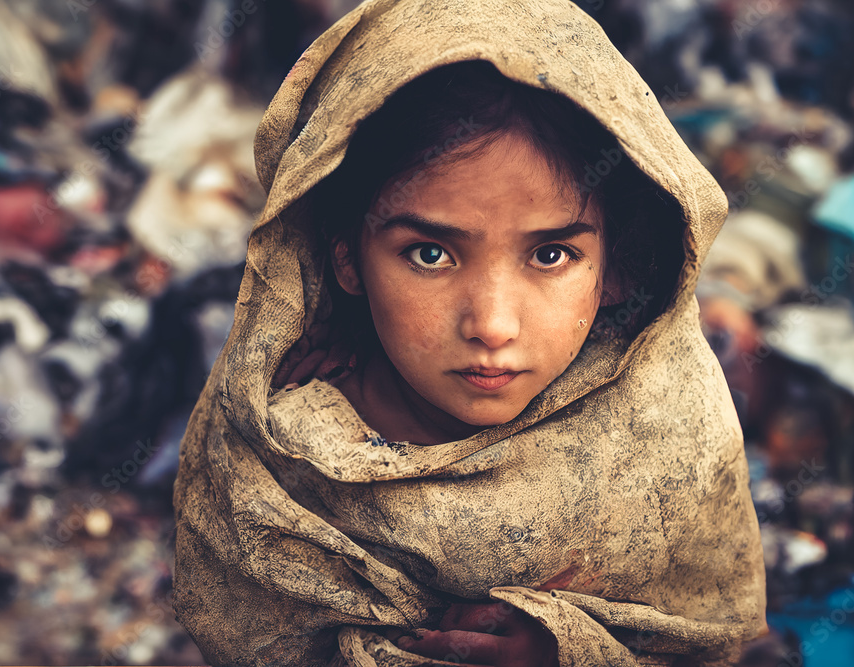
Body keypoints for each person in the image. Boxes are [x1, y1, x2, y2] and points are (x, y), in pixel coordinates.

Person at [171, 1, 767, 665]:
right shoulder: (271, 445)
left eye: (550, 254)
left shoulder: (670, 424)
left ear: (617, 269)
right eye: (430, 254)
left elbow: (709, 639)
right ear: (346, 259)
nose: (492, 326)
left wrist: (569, 653)